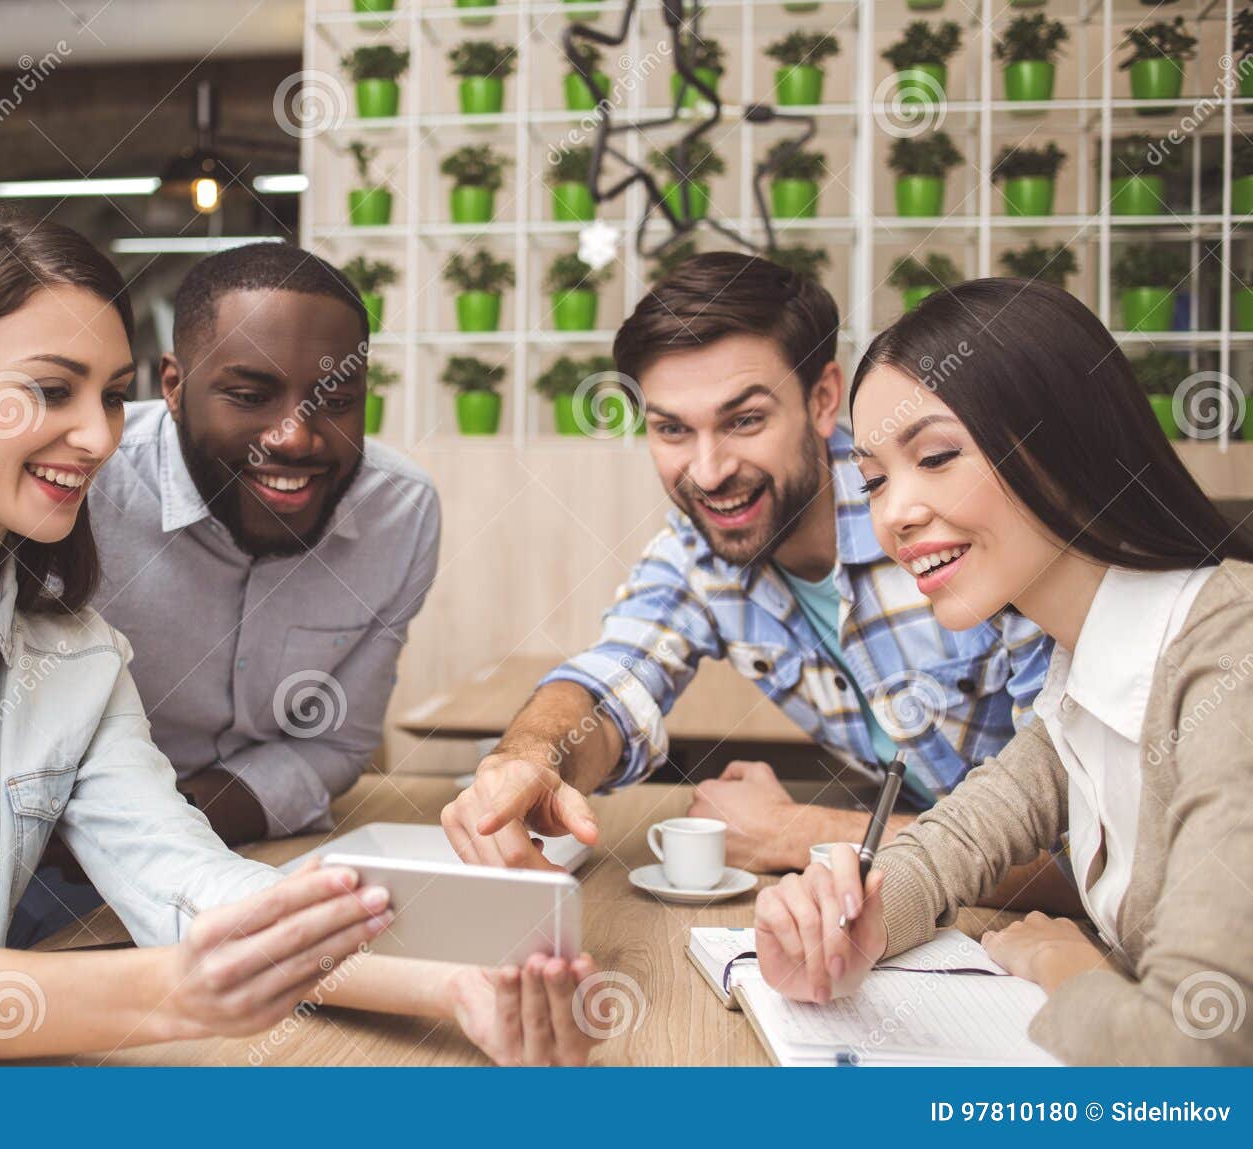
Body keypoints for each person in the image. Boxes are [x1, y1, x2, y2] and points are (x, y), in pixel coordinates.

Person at [0, 205, 596, 1067]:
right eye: (49, 390)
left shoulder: (73, 645)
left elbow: (187, 884)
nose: (99, 437)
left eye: (108, 396)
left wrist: (457, 988)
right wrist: (171, 991)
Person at [755, 277, 1253, 1065]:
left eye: (937, 456)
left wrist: (1067, 969)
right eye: (876, 479)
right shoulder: (1080, 668)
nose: (895, 514)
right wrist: (852, 920)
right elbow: (954, 844)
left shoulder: (1232, 653)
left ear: (1065, 439)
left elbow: (1201, 1059)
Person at [442, 252, 1057, 889]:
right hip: (934, 897)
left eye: (745, 420)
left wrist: (791, 832)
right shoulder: (698, 554)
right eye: (673, 429)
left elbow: (1090, 853)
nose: (708, 472)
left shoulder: (958, 523)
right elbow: (610, 683)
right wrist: (530, 758)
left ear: (822, 400)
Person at [10, 243, 440, 943]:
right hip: (51, 864)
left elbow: (335, 745)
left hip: (261, 844)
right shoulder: (81, 487)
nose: (295, 437)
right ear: (174, 385)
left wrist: (168, 824)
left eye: (335, 401)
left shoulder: (402, 513)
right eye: (249, 395)